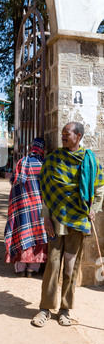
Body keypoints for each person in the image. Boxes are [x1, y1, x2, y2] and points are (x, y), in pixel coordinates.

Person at [31, 122, 104, 327]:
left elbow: (99, 188)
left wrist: (94, 209)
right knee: (53, 265)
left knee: (71, 267)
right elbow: (45, 192)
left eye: (67, 133)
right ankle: (45, 309)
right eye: (62, 133)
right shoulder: (53, 160)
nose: (63, 136)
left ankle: (65, 310)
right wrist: (45, 217)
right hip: (56, 221)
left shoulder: (91, 161)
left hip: (79, 221)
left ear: (78, 136)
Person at [4, 138, 48, 277]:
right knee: (38, 234)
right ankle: (32, 269)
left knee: (21, 232)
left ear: (31, 148)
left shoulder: (23, 162)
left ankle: (20, 268)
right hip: (39, 206)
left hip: (22, 206)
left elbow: (15, 182)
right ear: (42, 149)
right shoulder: (45, 164)